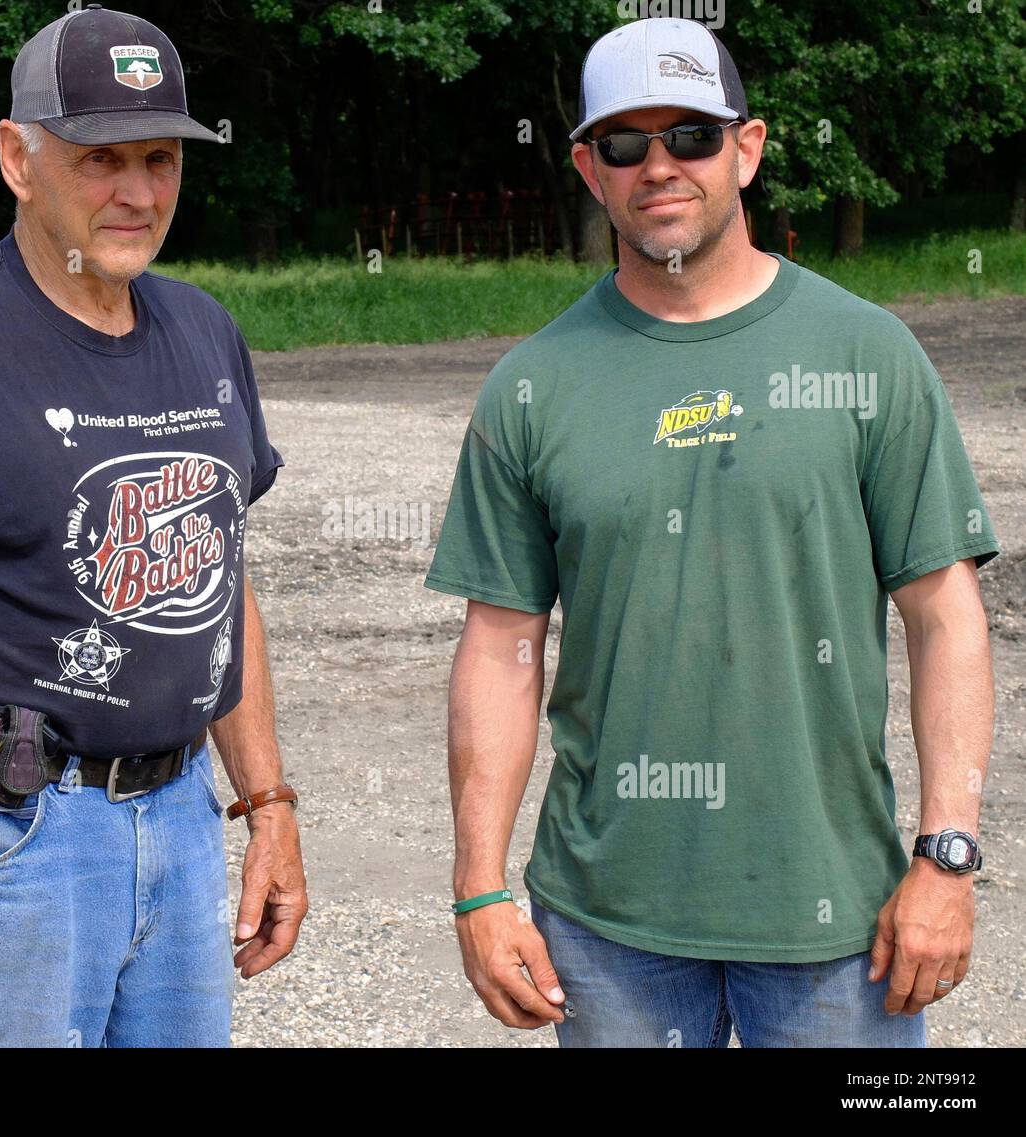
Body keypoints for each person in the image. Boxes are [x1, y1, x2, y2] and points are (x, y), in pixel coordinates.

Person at [424, 16, 999, 1048]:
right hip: (607, 932)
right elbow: (499, 647)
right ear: (587, 169)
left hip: (835, 923)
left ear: (747, 147)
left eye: (689, 134)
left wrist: (945, 856)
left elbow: (944, 613)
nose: (659, 165)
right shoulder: (532, 386)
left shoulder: (867, 355)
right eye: (624, 143)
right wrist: (478, 888)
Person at [0, 5, 307, 1048]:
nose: (137, 192)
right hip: (8, 835)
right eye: (100, 159)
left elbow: (221, 580)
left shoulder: (204, 332)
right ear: (17, 159)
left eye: (160, 158)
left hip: (178, 818)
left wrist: (267, 802)